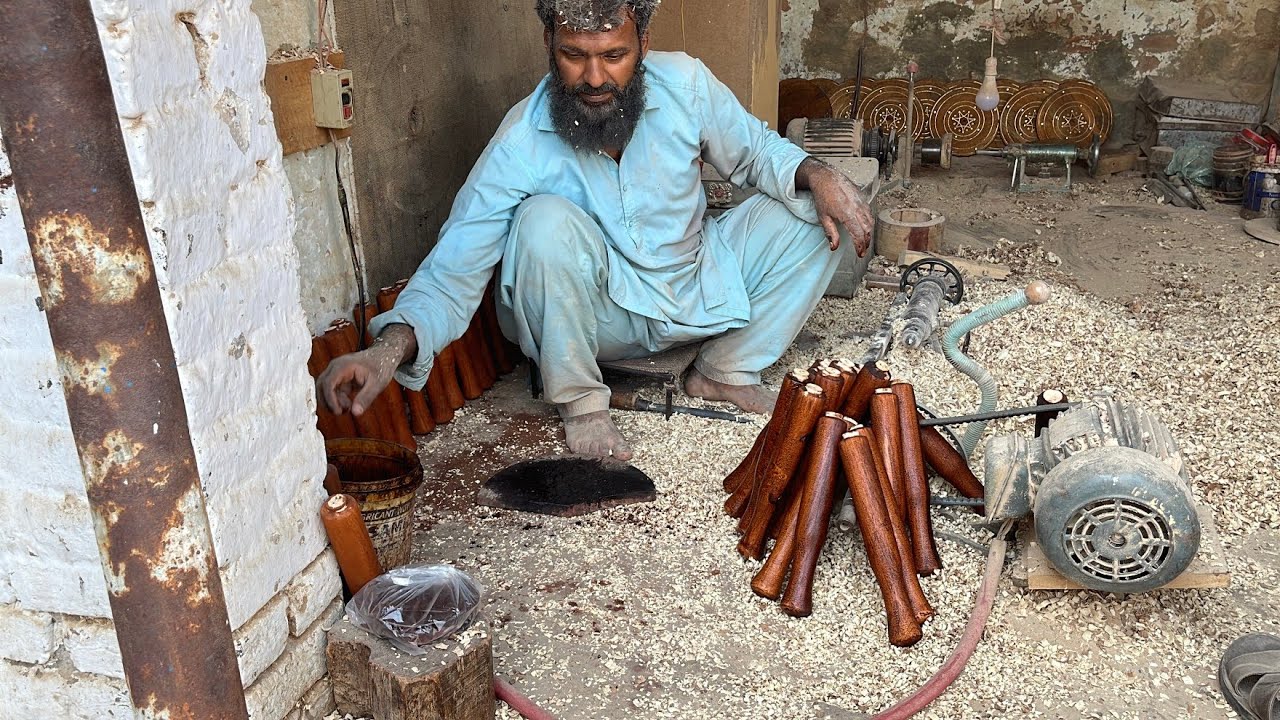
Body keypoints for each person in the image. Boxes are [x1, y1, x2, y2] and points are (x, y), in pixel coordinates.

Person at [317, 0, 873, 461]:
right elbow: (455, 265)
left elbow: (755, 153)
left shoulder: (686, 83)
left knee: (821, 209)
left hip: (698, 282)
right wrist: (386, 352)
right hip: (603, 314)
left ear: (644, 44)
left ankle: (725, 369)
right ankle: (583, 403)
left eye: (614, 55)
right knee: (542, 223)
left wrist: (817, 172)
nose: (594, 78)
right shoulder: (520, 141)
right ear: (549, 48)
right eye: (574, 56)